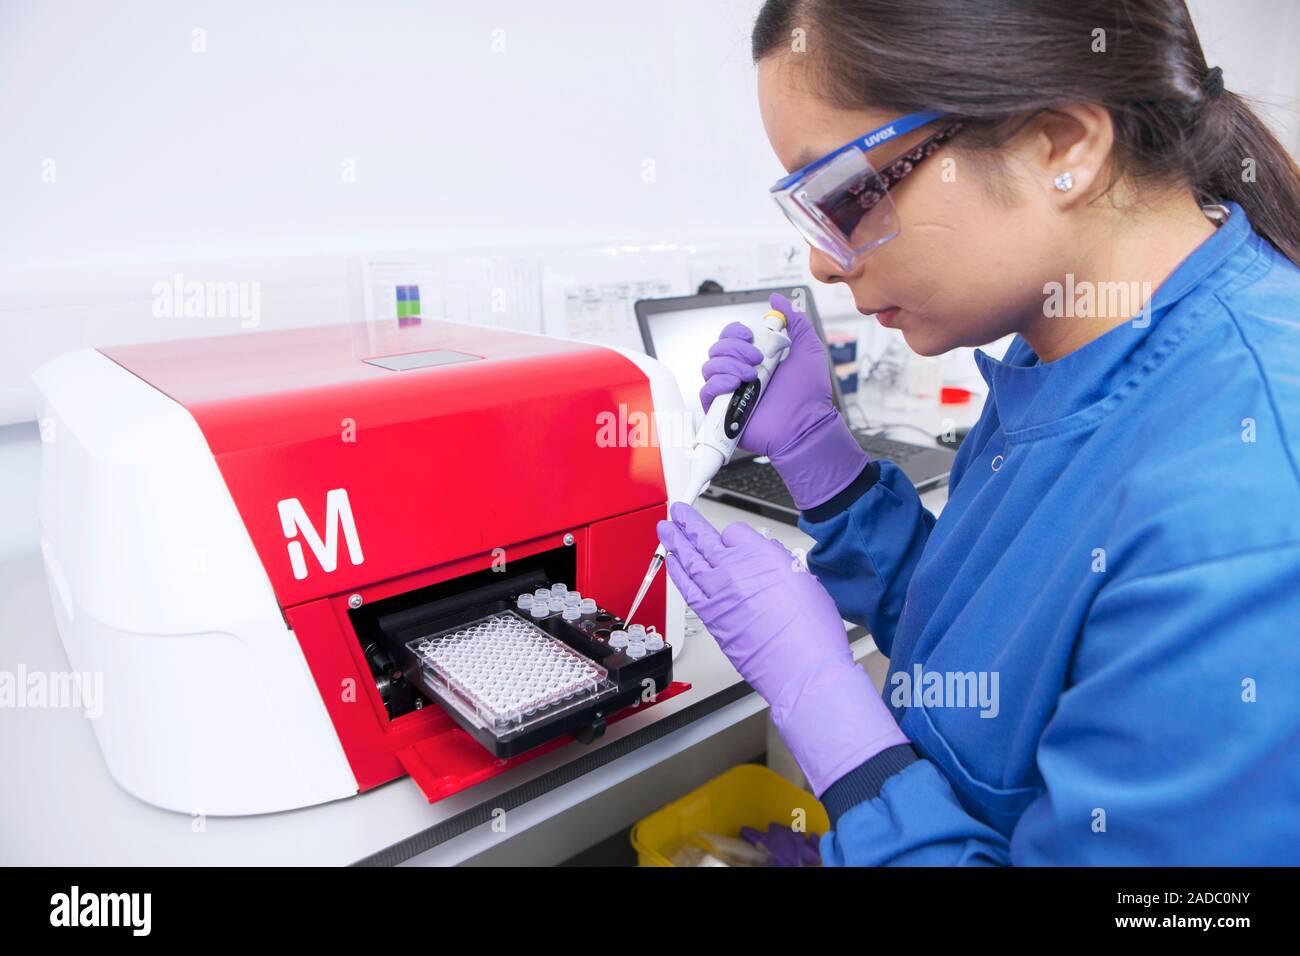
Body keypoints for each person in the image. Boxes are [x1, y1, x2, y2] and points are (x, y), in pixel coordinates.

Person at [657, 0, 1300, 864]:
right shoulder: (1067, 343)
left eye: (843, 194)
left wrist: (842, 736)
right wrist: (824, 462)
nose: (820, 259)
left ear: (1062, 144)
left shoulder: (1247, 508)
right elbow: (998, 637)